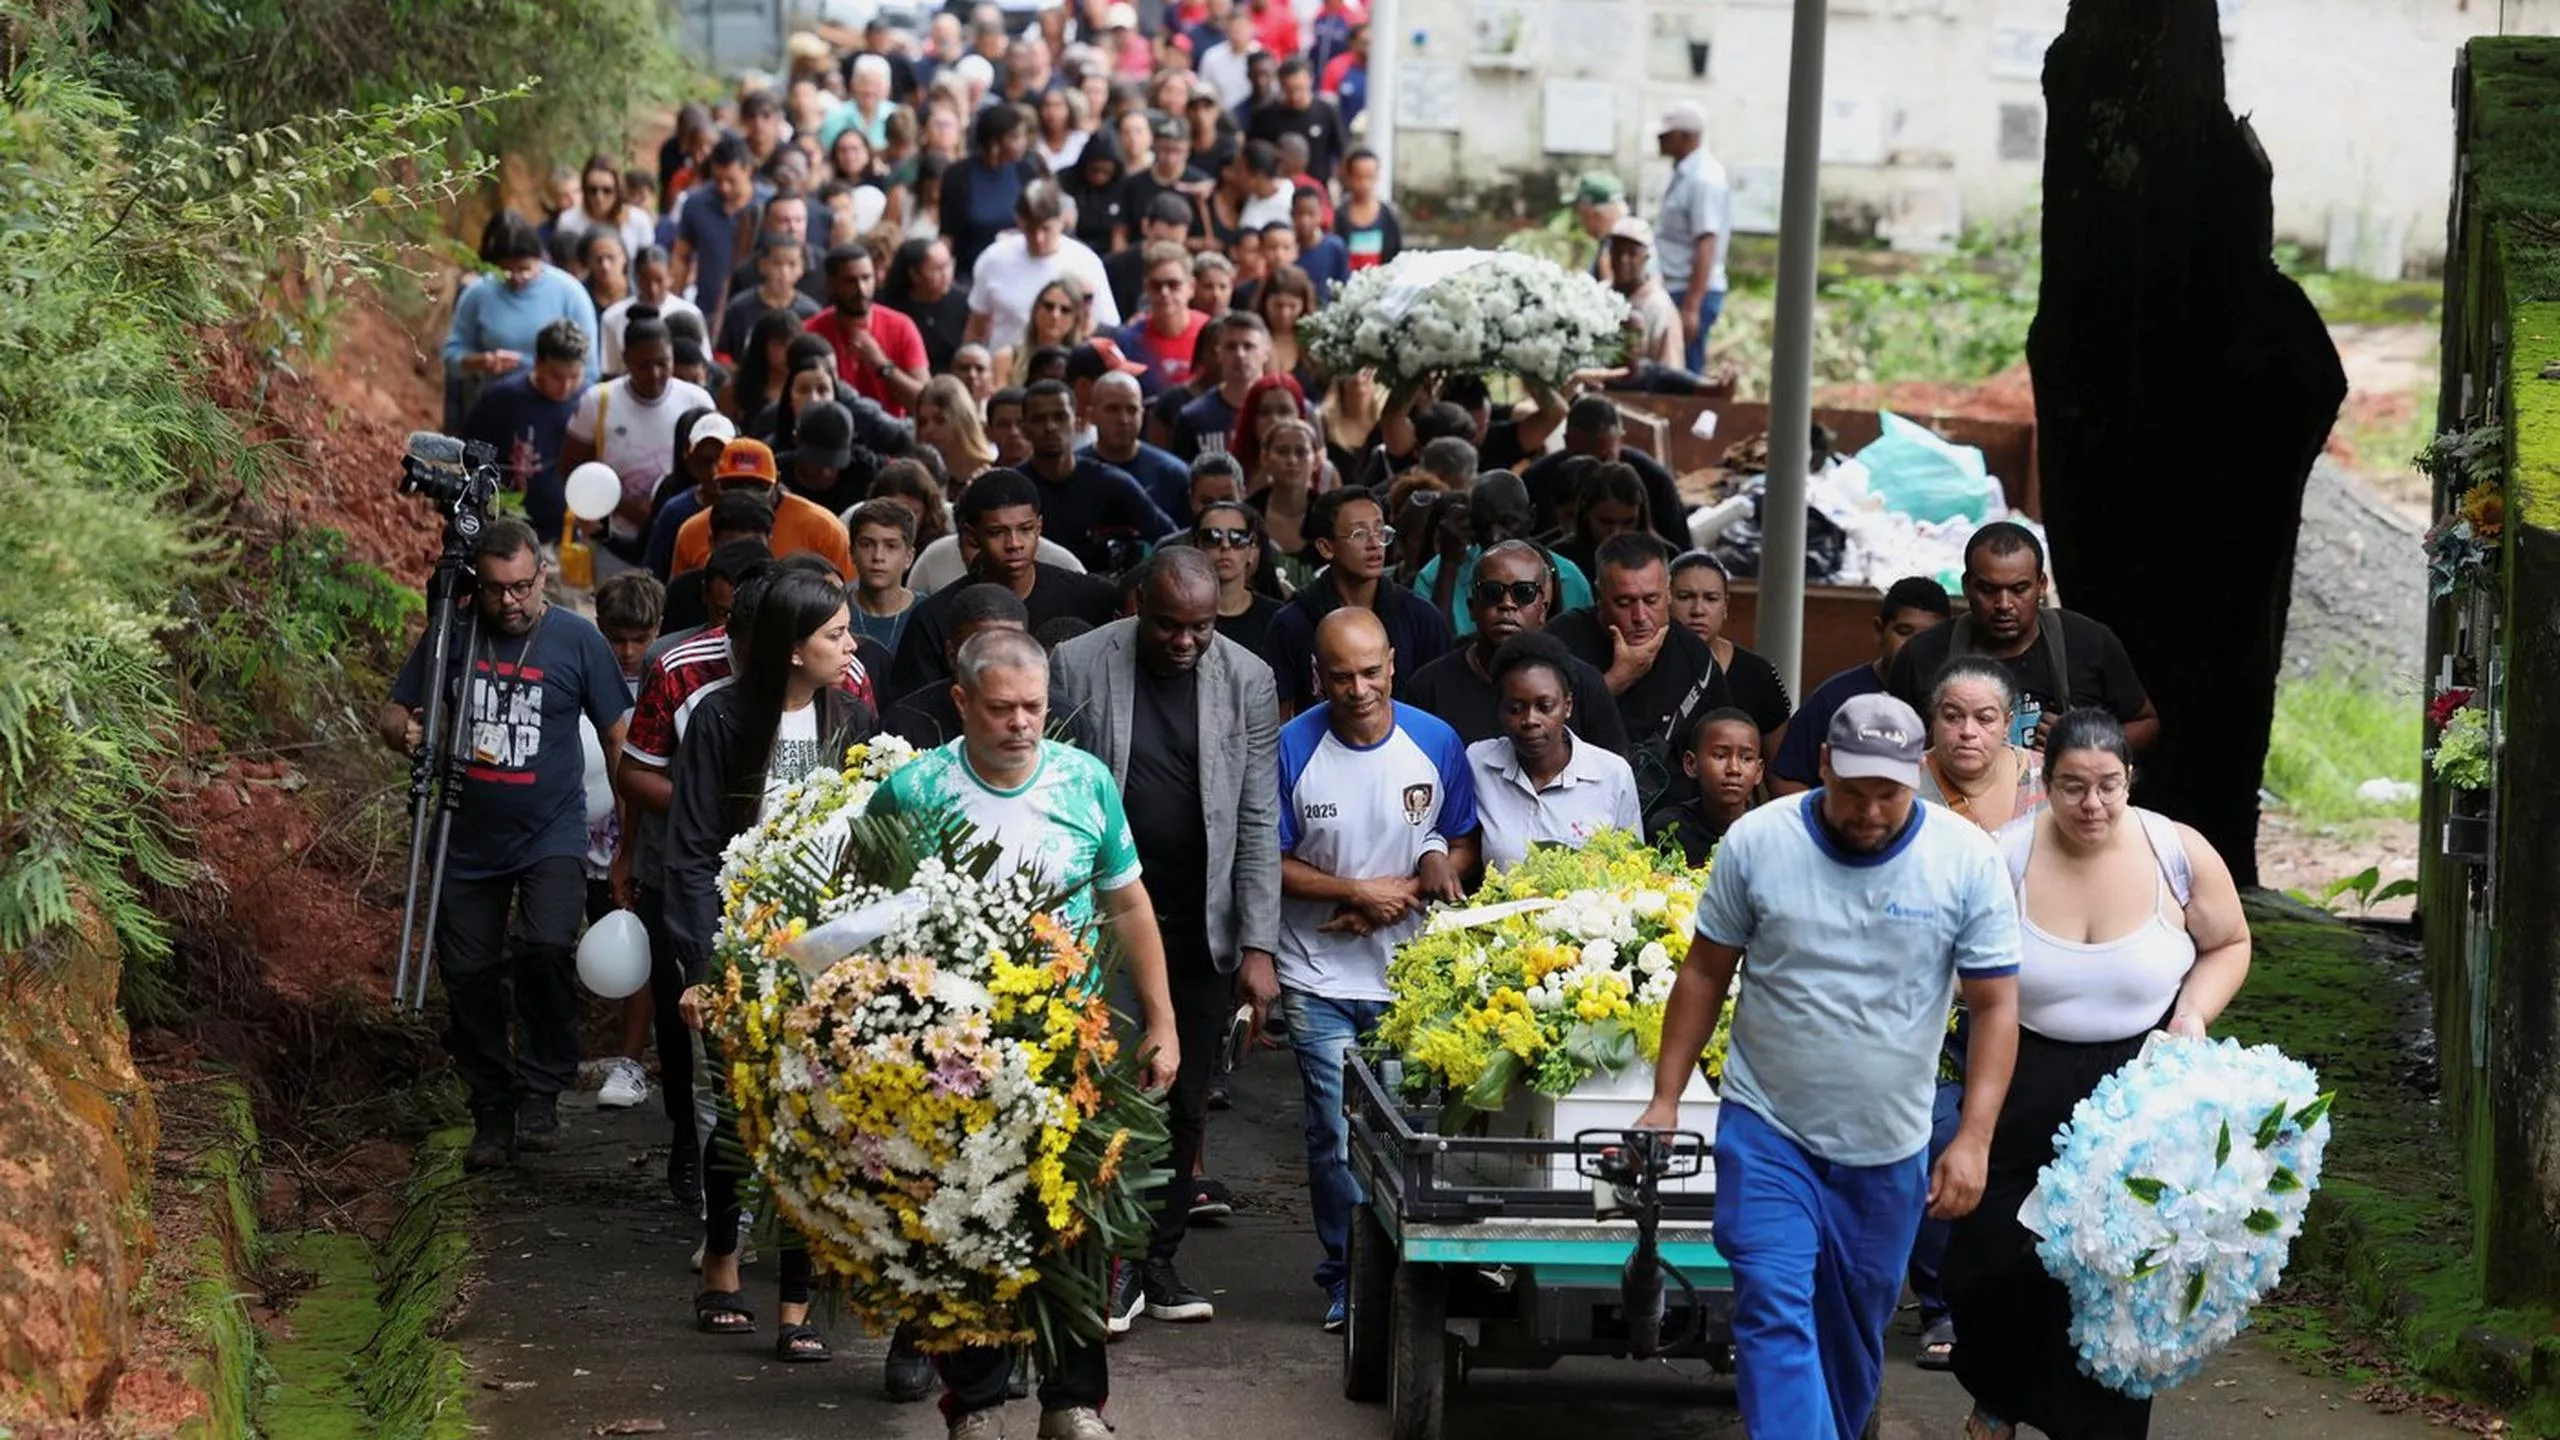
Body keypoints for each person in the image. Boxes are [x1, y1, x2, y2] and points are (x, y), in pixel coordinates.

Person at [1634, 694, 2024, 1440]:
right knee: (1773, 1309)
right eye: (1854, 792)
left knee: (1850, 1349)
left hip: (1889, 1147)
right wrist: (1666, 1098)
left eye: (1889, 794)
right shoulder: (1758, 842)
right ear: (1822, 767)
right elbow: (1705, 973)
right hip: (1769, 1128)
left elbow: (1996, 1007)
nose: (1872, 812)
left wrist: (1973, 1136)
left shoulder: (1966, 859)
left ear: (1917, 774)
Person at [865, 626, 1182, 1440]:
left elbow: (1128, 903)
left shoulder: (1085, 782)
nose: (1020, 724)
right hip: (948, 1057)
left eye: (1034, 707)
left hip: (1071, 1047)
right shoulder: (913, 791)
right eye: (1000, 708)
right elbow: (860, 916)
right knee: (964, 1229)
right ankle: (974, 1403)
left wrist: (1161, 1019)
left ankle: (1073, 1402)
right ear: (961, 701)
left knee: (1078, 1224)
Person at [1944, 709, 2250, 1440]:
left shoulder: (2178, 851)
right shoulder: (2001, 856)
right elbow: (1950, 965)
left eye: (2109, 787)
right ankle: (1997, 1392)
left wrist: (2193, 1017)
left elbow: (2231, 942)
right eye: (2073, 787)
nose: (2093, 805)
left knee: (2115, 1273)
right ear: (2043, 785)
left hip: (2138, 1084)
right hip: (2017, 1070)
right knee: (1994, 1258)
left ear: (2130, 781)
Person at [1050, 550, 1281, 1332]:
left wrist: (1259, 946)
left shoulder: (1247, 678)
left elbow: (1256, 817)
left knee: (1185, 1102)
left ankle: (1159, 1258)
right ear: (1135, 606)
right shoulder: (1076, 664)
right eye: (1170, 626)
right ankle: (1108, 1262)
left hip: (1201, 926)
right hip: (1103, 923)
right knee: (1107, 1092)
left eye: (1202, 628)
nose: (1186, 643)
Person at [666, 568, 877, 1364]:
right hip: (738, 949)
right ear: (794, 649)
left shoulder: (851, 719)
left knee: (815, 1121)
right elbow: (689, 854)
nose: (851, 645)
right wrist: (701, 965)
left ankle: (796, 1300)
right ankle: (723, 1254)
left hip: (824, 955)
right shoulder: (721, 720)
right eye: (835, 635)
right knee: (737, 1120)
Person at [376, 519, 634, 1170]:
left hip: (552, 829)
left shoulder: (577, 640)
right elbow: (394, 711)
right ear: (478, 587)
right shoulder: (453, 631)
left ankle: (543, 1088)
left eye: (522, 587)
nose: (510, 602)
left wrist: (630, 837)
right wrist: (413, 737)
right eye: (496, 590)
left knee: (547, 947)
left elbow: (618, 737)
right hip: (465, 834)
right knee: (468, 976)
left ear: (541, 576)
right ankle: (491, 1107)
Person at [1263, 608, 1477, 1331]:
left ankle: (1412, 1276)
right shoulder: (1291, 747)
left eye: (1370, 671)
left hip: (1412, 978)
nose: (1358, 689)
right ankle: (1348, 1279)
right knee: (1333, 1129)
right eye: (1341, 675)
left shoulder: (1436, 740)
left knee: (1413, 1128)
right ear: (1317, 675)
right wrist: (1354, 892)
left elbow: (1463, 841)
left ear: (1392, 663)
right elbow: (1270, 860)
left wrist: (1406, 891)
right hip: (1316, 974)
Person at [1885, 523, 2159, 755]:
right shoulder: (1922, 655)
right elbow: (1889, 746)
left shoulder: (2088, 642)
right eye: (1988, 589)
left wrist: (2087, 743)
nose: (2004, 604)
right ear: (1967, 586)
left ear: (2041, 585)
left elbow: (2146, 722)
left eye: (2019, 589)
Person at [889, 468, 1119, 693]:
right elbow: (916, 709)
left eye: (1025, 529)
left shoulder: (1090, 598)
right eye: (997, 532)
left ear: (1039, 527)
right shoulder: (935, 617)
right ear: (971, 536)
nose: (1014, 544)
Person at [1543, 532, 1733, 802]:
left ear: (1668, 593)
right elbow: (1537, 731)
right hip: (1576, 804)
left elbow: (1724, 739)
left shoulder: (1694, 656)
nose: (1640, 617)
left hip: (1671, 819)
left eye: (1651, 600)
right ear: (1600, 595)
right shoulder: (1563, 641)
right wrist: (1614, 681)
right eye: (1624, 602)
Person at [1403, 539, 1628, 756]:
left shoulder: (1584, 684)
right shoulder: (1429, 687)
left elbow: (1612, 777)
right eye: (1492, 592)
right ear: (1472, 607)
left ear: (1543, 608)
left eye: (1524, 592)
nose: (1507, 604)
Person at [1262, 487, 1450, 718]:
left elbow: (1440, 705)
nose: (1374, 544)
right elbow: (1280, 716)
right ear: (1326, 547)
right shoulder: (1292, 623)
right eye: (1359, 534)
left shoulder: (1420, 617)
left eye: (1381, 532)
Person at [1465, 632, 1641, 872]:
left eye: (1545, 707)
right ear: (1500, 710)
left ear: (1567, 706)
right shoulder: (1479, 764)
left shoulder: (1612, 774)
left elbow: (1631, 869)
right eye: (1515, 709)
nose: (1530, 720)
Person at [561, 311, 720, 563]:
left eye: (663, 363)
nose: (655, 373)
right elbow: (571, 467)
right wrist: (620, 504)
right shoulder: (598, 401)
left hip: (683, 535)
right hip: (613, 536)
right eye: (644, 365)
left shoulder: (696, 401)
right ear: (625, 360)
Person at [1774, 577, 1951, 794]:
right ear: (1879, 630)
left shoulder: (1955, 704)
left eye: (1928, 637)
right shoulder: (1834, 699)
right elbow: (1788, 778)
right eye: (1904, 632)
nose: (1915, 647)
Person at [446, 211, 602, 424]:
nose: (517, 278)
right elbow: (452, 355)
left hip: (556, 410)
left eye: (525, 270)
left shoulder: (570, 293)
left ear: (541, 259)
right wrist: (481, 362)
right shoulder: (477, 293)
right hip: (495, 409)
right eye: (506, 272)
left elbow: (590, 370)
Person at [1415, 470, 1594, 640]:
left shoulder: (1568, 578)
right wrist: (1449, 566)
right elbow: (1433, 649)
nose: (1495, 537)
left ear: (1531, 517)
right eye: (1484, 524)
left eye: (1508, 522)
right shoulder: (1435, 575)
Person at [1017, 379, 1174, 572]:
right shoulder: (1013, 489)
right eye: (1039, 419)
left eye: (1060, 417)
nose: (1050, 427)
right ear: (1024, 429)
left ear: (1076, 422)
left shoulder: (1113, 484)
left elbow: (1171, 541)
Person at [461, 319, 591, 544]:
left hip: (569, 532)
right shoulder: (503, 398)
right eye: (557, 377)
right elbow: (470, 455)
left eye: (574, 377)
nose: (566, 387)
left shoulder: (589, 400)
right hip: (509, 525)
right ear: (538, 363)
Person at [966, 180, 1120, 356]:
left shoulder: (1086, 262)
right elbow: (976, 327)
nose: (1038, 238)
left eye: (1046, 229)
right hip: (1006, 366)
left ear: (1061, 221)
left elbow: (1107, 327)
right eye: (1030, 230)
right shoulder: (993, 259)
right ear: (1019, 221)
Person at [1520, 396, 1692, 552]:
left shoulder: (1655, 481)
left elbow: (1681, 551)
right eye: (1584, 458)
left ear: (1621, 440)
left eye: (1606, 458)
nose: (1596, 471)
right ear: (1567, 442)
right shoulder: (1536, 481)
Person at [881, 582, 1031, 747]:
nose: (999, 665)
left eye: (1011, 652)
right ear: (952, 655)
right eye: (984, 653)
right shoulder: (905, 723)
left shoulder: (1059, 718)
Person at [1668, 551, 1792, 747]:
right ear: (1665, 601)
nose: (1698, 610)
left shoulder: (1758, 675)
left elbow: (1780, 769)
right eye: (1685, 597)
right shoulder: (1646, 666)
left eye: (1711, 598)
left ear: (1725, 605)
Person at [1651, 101, 1731, 373]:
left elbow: (1706, 243)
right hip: (1676, 286)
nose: (1659, 140)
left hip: (1690, 289)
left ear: (1685, 137)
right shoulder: (1686, 173)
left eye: (1666, 135)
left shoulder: (1703, 178)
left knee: (1684, 373)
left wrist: (1691, 308)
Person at [805, 244, 929, 418]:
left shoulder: (902, 327)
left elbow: (925, 403)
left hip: (891, 435)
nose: (861, 289)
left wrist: (883, 366)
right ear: (831, 284)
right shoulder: (811, 331)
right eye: (850, 281)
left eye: (866, 278)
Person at [1644, 705, 1764, 866]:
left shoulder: (1770, 832)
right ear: (1691, 764)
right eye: (1720, 756)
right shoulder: (1669, 829)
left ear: (1758, 771)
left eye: (1746, 758)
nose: (1734, 769)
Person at [941, 104, 1050, 277]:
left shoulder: (1025, 171)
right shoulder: (958, 175)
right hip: (970, 273)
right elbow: (947, 233)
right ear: (995, 142)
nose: (1022, 143)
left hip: (1018, 269)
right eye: (1015, 137)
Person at [670, 136, 766, 328]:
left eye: (731, 180)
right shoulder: (696, 204)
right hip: (708, 310)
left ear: (747, 170)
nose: (724, 188)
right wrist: (674, 302)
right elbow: (681, 256)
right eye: (718, 180)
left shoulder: (768, 206)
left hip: (757, 312)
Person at [1081, 370, 1192, 524]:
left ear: (1142, 414)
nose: (1123, 420)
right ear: (1092, 415)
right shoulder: (1074, 471)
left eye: (1132, 410)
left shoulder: (1173, 474)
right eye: (1112, 409)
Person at [1163, 312, 1273, 461]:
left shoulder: (1289, 409)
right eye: (1231, 346)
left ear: (1266, 352)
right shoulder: (1193, 417)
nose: (1240, 354)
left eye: (1248, 346)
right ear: (1219, 353)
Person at [1115, 240, 1211, 397]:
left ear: (1191, 288)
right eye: (1156, 286)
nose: (1164, 292)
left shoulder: (1210, 332)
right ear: (1146, 289)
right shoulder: (1128, 340)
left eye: (1173, 285)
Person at [1193, 497, 1286, 656]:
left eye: (1238, 537)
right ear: (1196, 547)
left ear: (1252, 551)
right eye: (1211, 537)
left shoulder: (1278, 618)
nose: (1225, 546)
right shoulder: (1181, 614)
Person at [602, 247, 704, 378]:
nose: (652, 289)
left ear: (669, 276)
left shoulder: (691, 314)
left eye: (659, 280)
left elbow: (702, 363)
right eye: (645, 281)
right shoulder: (613, 317)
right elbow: (611, 370)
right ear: (636, 279)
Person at [1603, 215, 1685, 373]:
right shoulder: (1599, 295)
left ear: (1646, 258)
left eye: (1632, 253)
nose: (1623, 259)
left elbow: (1670, 371)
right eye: (1617, 251)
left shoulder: (1659, 306)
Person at [879, 237, 971, 376]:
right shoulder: (888, 305)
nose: (946, 274)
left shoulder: (965, 302)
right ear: (914, 274)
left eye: (948, 265)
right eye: (937, 269)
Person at [1245, 57, 1346, 183]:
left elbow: (1341, 151)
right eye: (1288, 90)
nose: (1295, 96)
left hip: (1318, 187)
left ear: (1310, 81)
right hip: (1278, 188)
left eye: (1299, 88)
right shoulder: (1265, 116)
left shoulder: (1326, 112)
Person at [555, 152, 661, 261]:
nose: (599, 197)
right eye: (592, 190)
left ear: (618, 191)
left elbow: (646, 266)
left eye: (607, 190)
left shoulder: (639, 220)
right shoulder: (568, 221)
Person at [845, 498, 920, 652]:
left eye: (891, 546)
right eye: (866, 545)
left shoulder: (926, 614)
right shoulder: (834, 612)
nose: (878, 556)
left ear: (909, 557)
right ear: (852, 552)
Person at [914, 373, 998, 492]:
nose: (928, 429)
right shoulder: (919, 474)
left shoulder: (993, 468)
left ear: (962, 420)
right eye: (923, 423)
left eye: (940, 420)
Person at [1332, 148, 1400, 273]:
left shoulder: (1388, 214)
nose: (1364, 184)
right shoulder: (1340, 215)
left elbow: (1395, 256)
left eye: (1369, 177)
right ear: (1349, 177)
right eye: (1359, 177)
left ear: (1377, 176)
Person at [1288, 186, 1349, 299]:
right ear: (1292, 215)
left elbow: (1343, 287)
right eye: (1299, 214)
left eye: (1310, 214)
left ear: (1320, 214)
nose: (1305, 220)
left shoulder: (1335, 247)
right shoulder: (1288, 251)